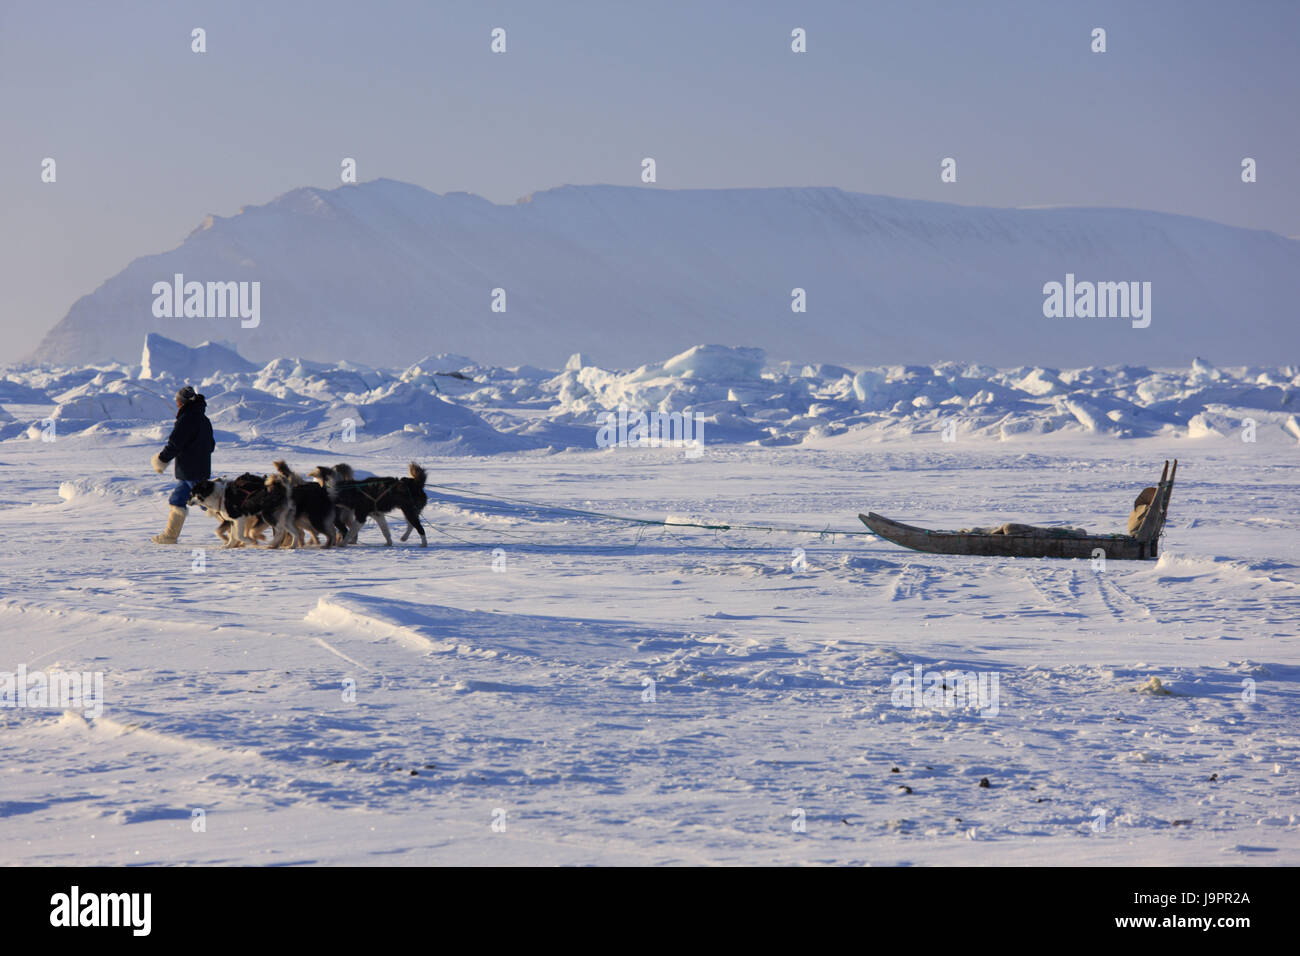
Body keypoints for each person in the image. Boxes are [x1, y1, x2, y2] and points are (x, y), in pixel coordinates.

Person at [150, 385, 215, 544]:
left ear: (182, 403)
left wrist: (162, 459)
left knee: (212, 503)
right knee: (177, 501)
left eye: (178, 401)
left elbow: (175, 444)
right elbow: (211, 445)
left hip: (190, 470)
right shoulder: (203, 419)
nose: (177, 404)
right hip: (194, 470)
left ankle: (245, 528)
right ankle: (170, 536)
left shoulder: (186, 419)